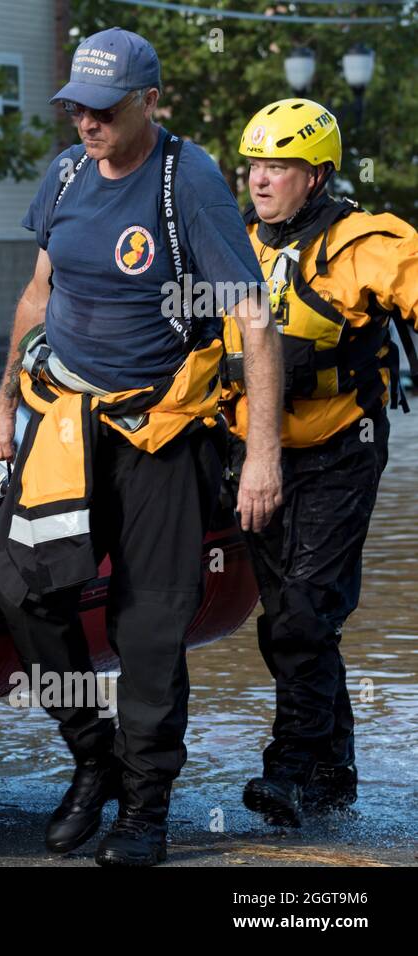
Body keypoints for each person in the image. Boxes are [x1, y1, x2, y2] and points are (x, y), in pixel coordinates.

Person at [0, 29, 284, 867]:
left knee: (148, 627)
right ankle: (94, 758)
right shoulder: (66, 174)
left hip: (161, 433)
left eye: (105, 108)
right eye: (77, 105)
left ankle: (145, 810)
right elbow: (38, 297)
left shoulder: (191, 180)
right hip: (65, 424)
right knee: (18, 586)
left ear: (149, 101)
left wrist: (262, 455)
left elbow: (252, 320)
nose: (87, 121)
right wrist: (3, 411)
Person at [226, 99, 418, 827]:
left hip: (342, 449)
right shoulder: (231, 246)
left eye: (279, 166)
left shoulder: (367, 242)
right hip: (256, 457)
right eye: (254, 164)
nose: (261, 179)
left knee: (303, 616)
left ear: (318, 175)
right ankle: (335, 772)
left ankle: (289, 769)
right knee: (290, 618)